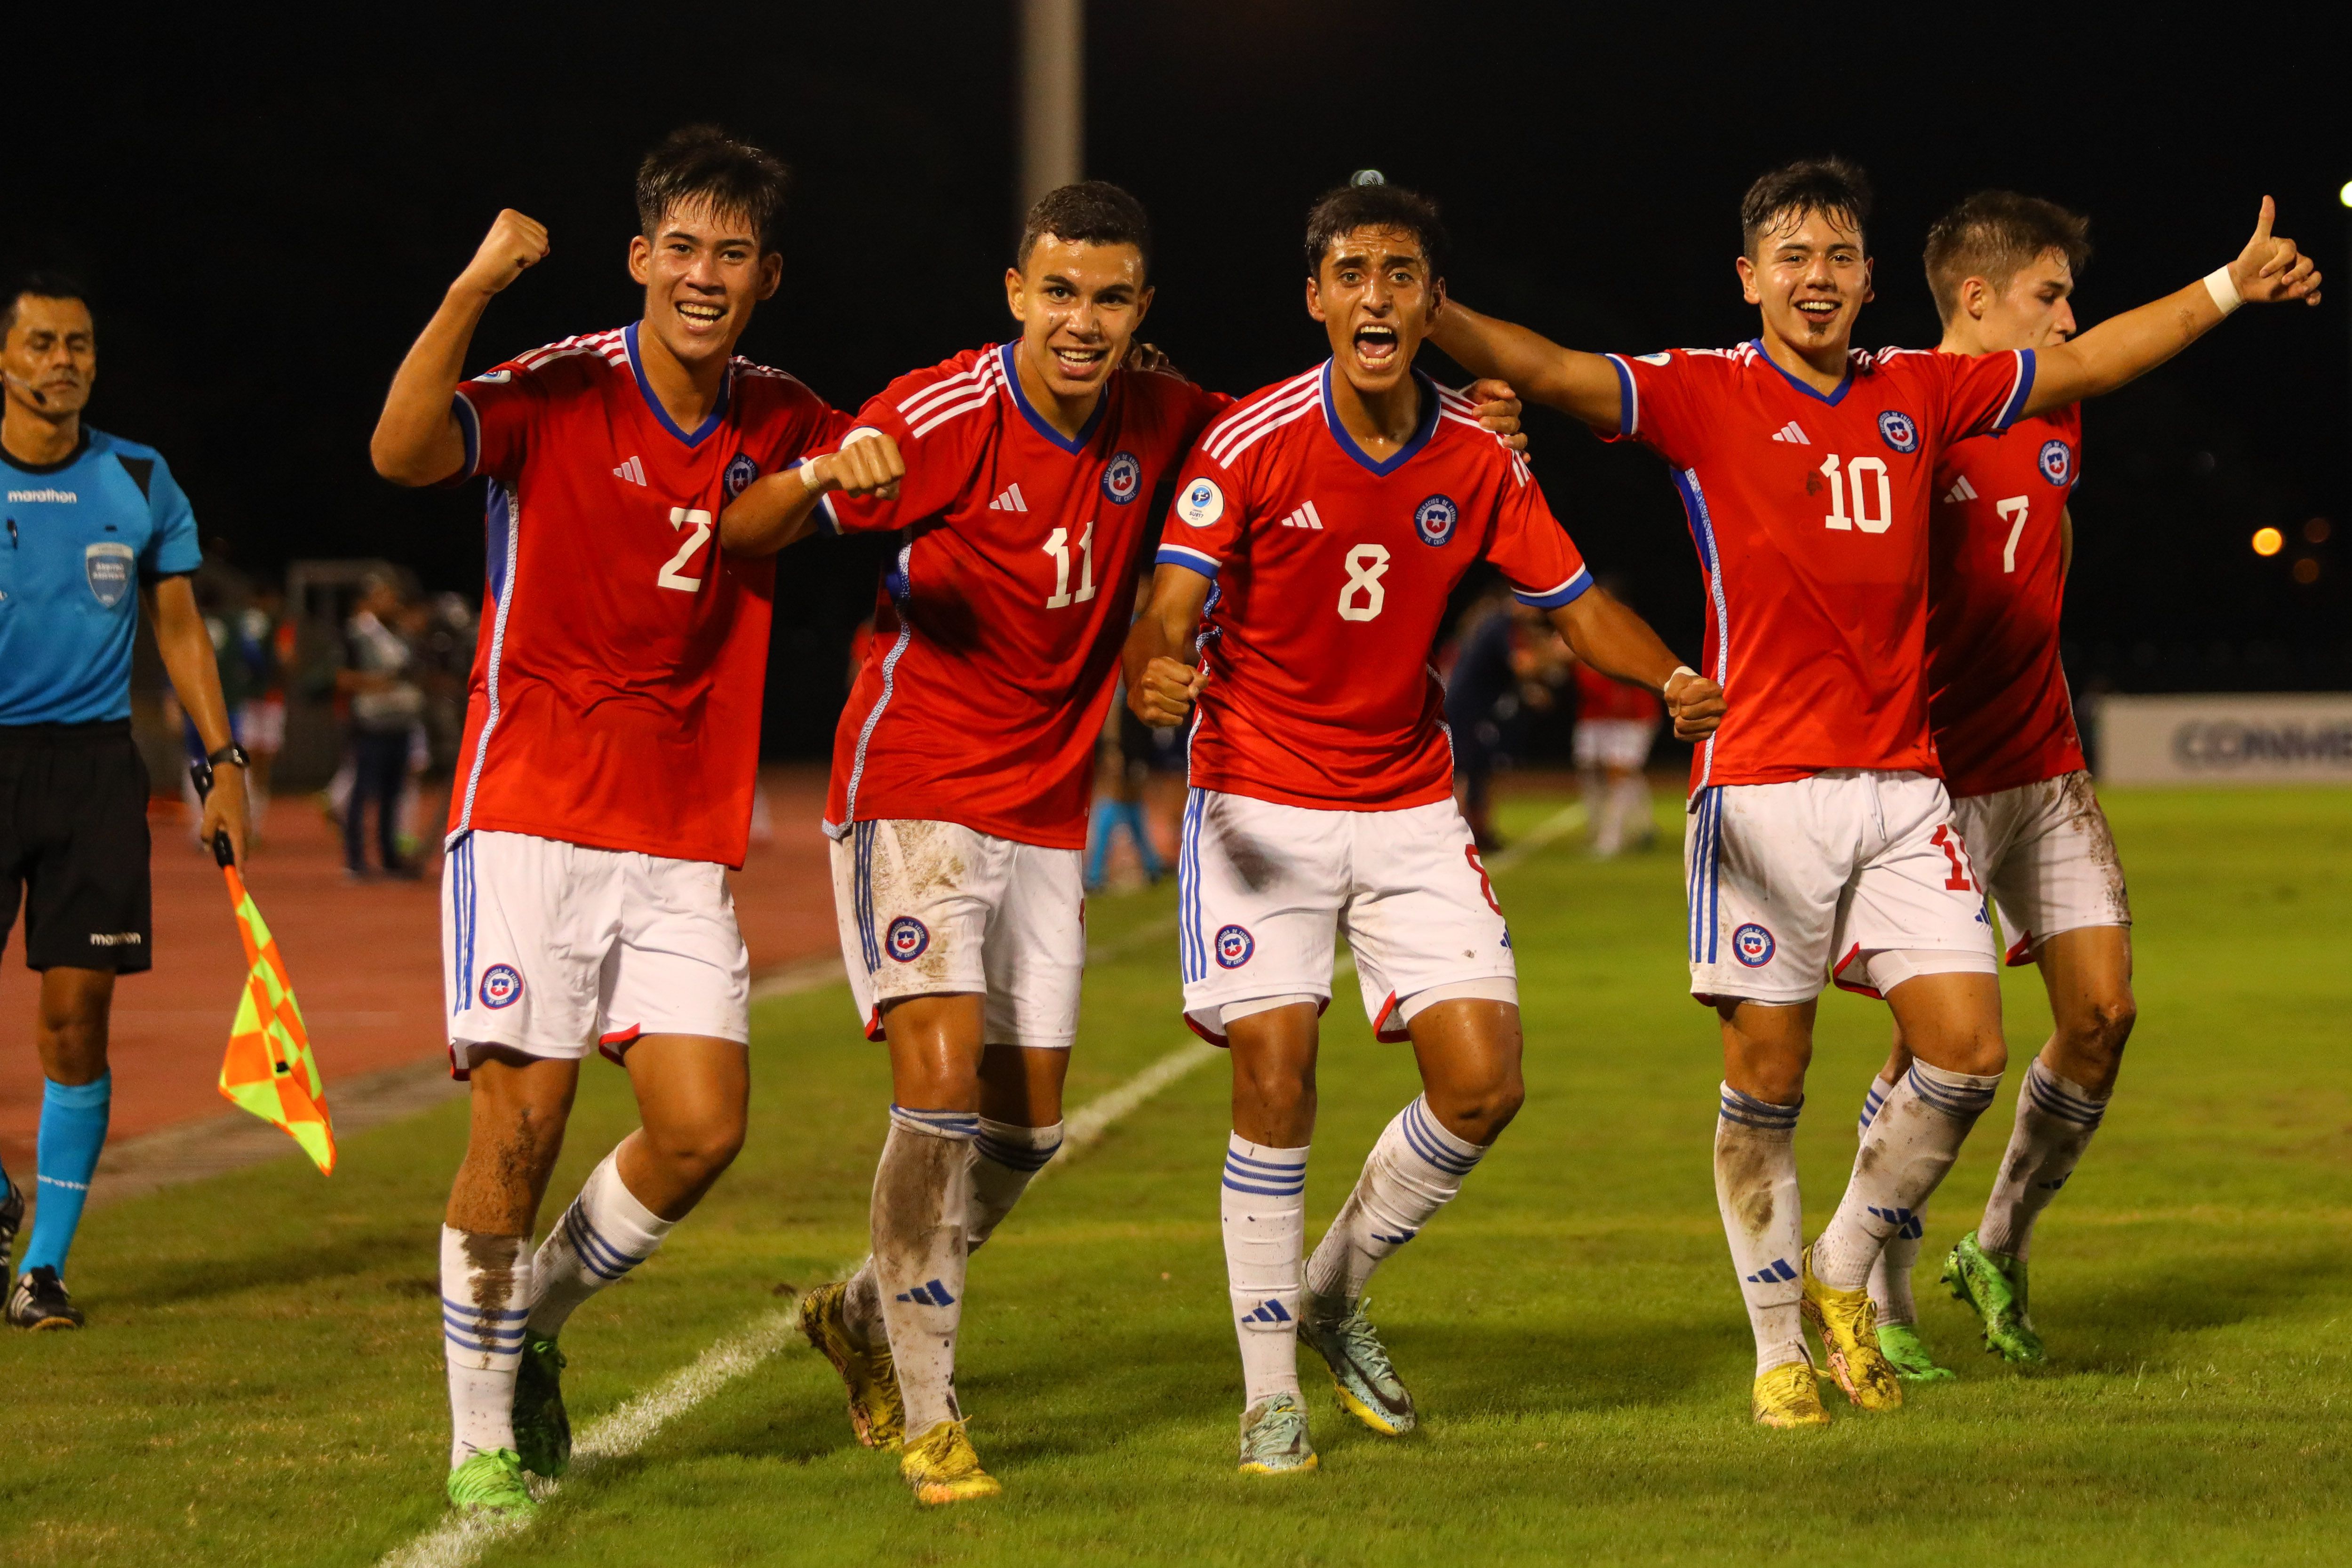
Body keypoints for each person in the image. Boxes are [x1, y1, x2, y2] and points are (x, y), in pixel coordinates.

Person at [1427, 159, 2319, 1428]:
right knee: (1767, 1076)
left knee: (1963, 1050)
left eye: (1838, 257)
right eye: (1790, 258)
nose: (1817, 279)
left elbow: (2091, 362)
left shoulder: (1917, 390)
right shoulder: (1704, 391)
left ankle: (1847, 1263)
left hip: (1902, 783)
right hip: (1762, 785)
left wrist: (2228, 281)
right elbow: (1566, 373)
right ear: (1749, 279)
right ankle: (1776, 1346)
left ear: (1867, 276)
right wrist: (1431, 310)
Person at [720, 179, 1531, 1504]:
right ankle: (930, 1411)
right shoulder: (934, 412)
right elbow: (743, 529)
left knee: (1024, 1132)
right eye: (1057, 292)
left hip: (1044, 806)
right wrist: (817, 471)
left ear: (1141, 309)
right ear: (1013, 294)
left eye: (1107, 297)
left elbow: (1316, 431)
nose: (1080, 320)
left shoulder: (1171, 420)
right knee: (932, 1093)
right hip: (915, 783)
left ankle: (868, 1311)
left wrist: (1462, 418)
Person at [1122, 180, 1722, 1476]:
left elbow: (1566, 599)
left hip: (1403, 800)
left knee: (1481, 1081)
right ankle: (1266, 1390)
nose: (1375, 295)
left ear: (1428, 301)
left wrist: (1670, 676)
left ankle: (1331, 1284)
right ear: (1315, 298)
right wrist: (1156, 667)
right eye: (1351, 272)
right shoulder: (1247, 440)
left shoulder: (1471, 454)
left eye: (1401, 274)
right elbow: (1168, 605)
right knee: (1274, 1070)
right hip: (1258, 798)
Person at [367, 126, 875, 1519]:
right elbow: (404, 448)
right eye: (683, 248)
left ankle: (531, 1319)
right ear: (641, 256)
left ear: (766, 275)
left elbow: (909, 463)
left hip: (676, 827)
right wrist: (475, 288)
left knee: (703, 1128)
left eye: (732, 254)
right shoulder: (562, 383)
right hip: (527, 808)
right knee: (518, 1133)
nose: (704, 275)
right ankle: (477, 1436)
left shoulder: (781, 414)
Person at [1857, 193, 2135, 1379]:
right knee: (1933, 1052)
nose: (2072, 316)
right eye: (2050, 295)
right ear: (1977, 299)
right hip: (1929, 776)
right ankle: (1877, 1287)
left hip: (2043, 760)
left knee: (2101, 1017)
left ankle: (1998, 1246)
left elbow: (2051, 531)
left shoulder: (2057, 399)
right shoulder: (1899, 409)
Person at [0, 271, 251, 1331]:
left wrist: (223, 759)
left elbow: (180, 630)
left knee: (76, 1017)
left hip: (96, 771)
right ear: (5, 359)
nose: (65, 361)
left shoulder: (139, 477)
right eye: (44, 344)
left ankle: (43, 1267)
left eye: (82, 346)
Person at [337, 573, 424, 878]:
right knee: (363, 793)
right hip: (371, 724)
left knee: (393, 795)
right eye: (384, 595)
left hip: (400, 722)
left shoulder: (400, 631)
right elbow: (341, 676)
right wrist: (379, 684)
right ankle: (355, 859)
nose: (392, 601)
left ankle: (389, 857)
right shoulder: (356, 633)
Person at [1570, 621, 1662, 857]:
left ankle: (1611, 839)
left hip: (1635, 716)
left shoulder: (1629, 639)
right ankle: (1642, 826)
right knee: (1608, 772)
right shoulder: (1587, 637)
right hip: (1605, 716)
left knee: (1619, 774)